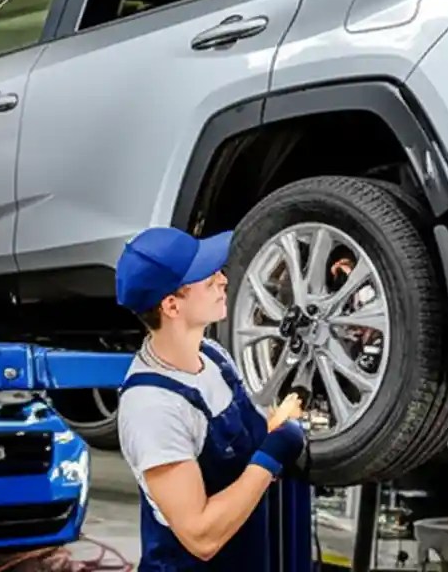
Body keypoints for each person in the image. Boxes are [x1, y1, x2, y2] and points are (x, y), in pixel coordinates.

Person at [114, 226, 307, 570]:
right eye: (207, 279)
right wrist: (269, 458)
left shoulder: (213, 356)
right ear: (172, 306)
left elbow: (242, 447)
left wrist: (276, 425)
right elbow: (200, 536)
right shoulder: (152, 407)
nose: (223, 281)